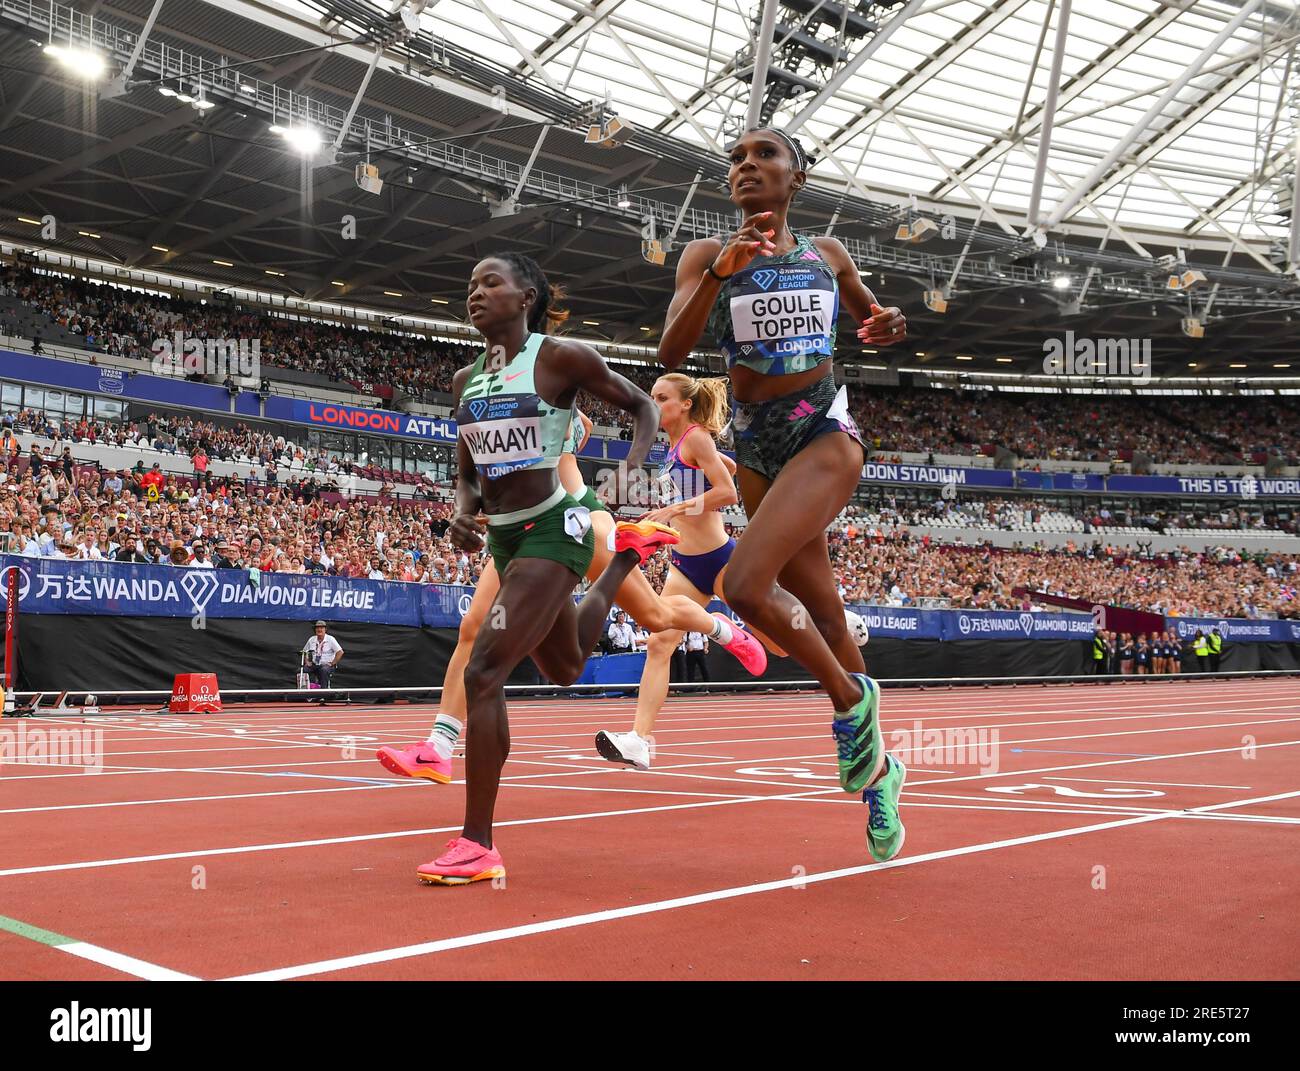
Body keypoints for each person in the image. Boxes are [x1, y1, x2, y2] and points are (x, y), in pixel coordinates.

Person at [654, 125, 909, 861]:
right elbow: (670, 355)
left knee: (743, 581)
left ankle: (852, 702)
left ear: (797, 176)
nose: (746, 167)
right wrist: (716, 275)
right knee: (825, 612)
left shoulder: (826, 254)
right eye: (735, 159)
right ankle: (880, 775)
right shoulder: (707, 257)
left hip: (824, 432)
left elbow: (876, 320)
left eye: (764, 156)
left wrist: (891, 323)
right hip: (758, 446)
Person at [405, 252, 682, 886]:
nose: (475, 293)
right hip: (505, 539)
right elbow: (468, 471)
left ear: (526, 294)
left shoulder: (559, 357)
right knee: (563, 666)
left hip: (558, 528)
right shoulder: (464, 381)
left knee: (484, 668)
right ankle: (625, 563)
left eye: (490, 282)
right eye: (470, 284)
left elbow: (640, 407)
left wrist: (632, 469)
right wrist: (462, 512)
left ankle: (477, 843)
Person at [303, 621, 343, 689]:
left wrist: (333, 663)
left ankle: (323, 693)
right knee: (302, 670)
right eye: (317, 628)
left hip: (326, 665)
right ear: (315, 629)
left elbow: (340, 652)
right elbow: (304, 651)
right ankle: (305, 691)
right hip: (315, 664)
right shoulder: (312, 639)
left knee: (324, 670)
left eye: (321, 628)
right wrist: (307, 662)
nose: (319, 630)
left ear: (325, 629)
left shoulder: (330, 639)